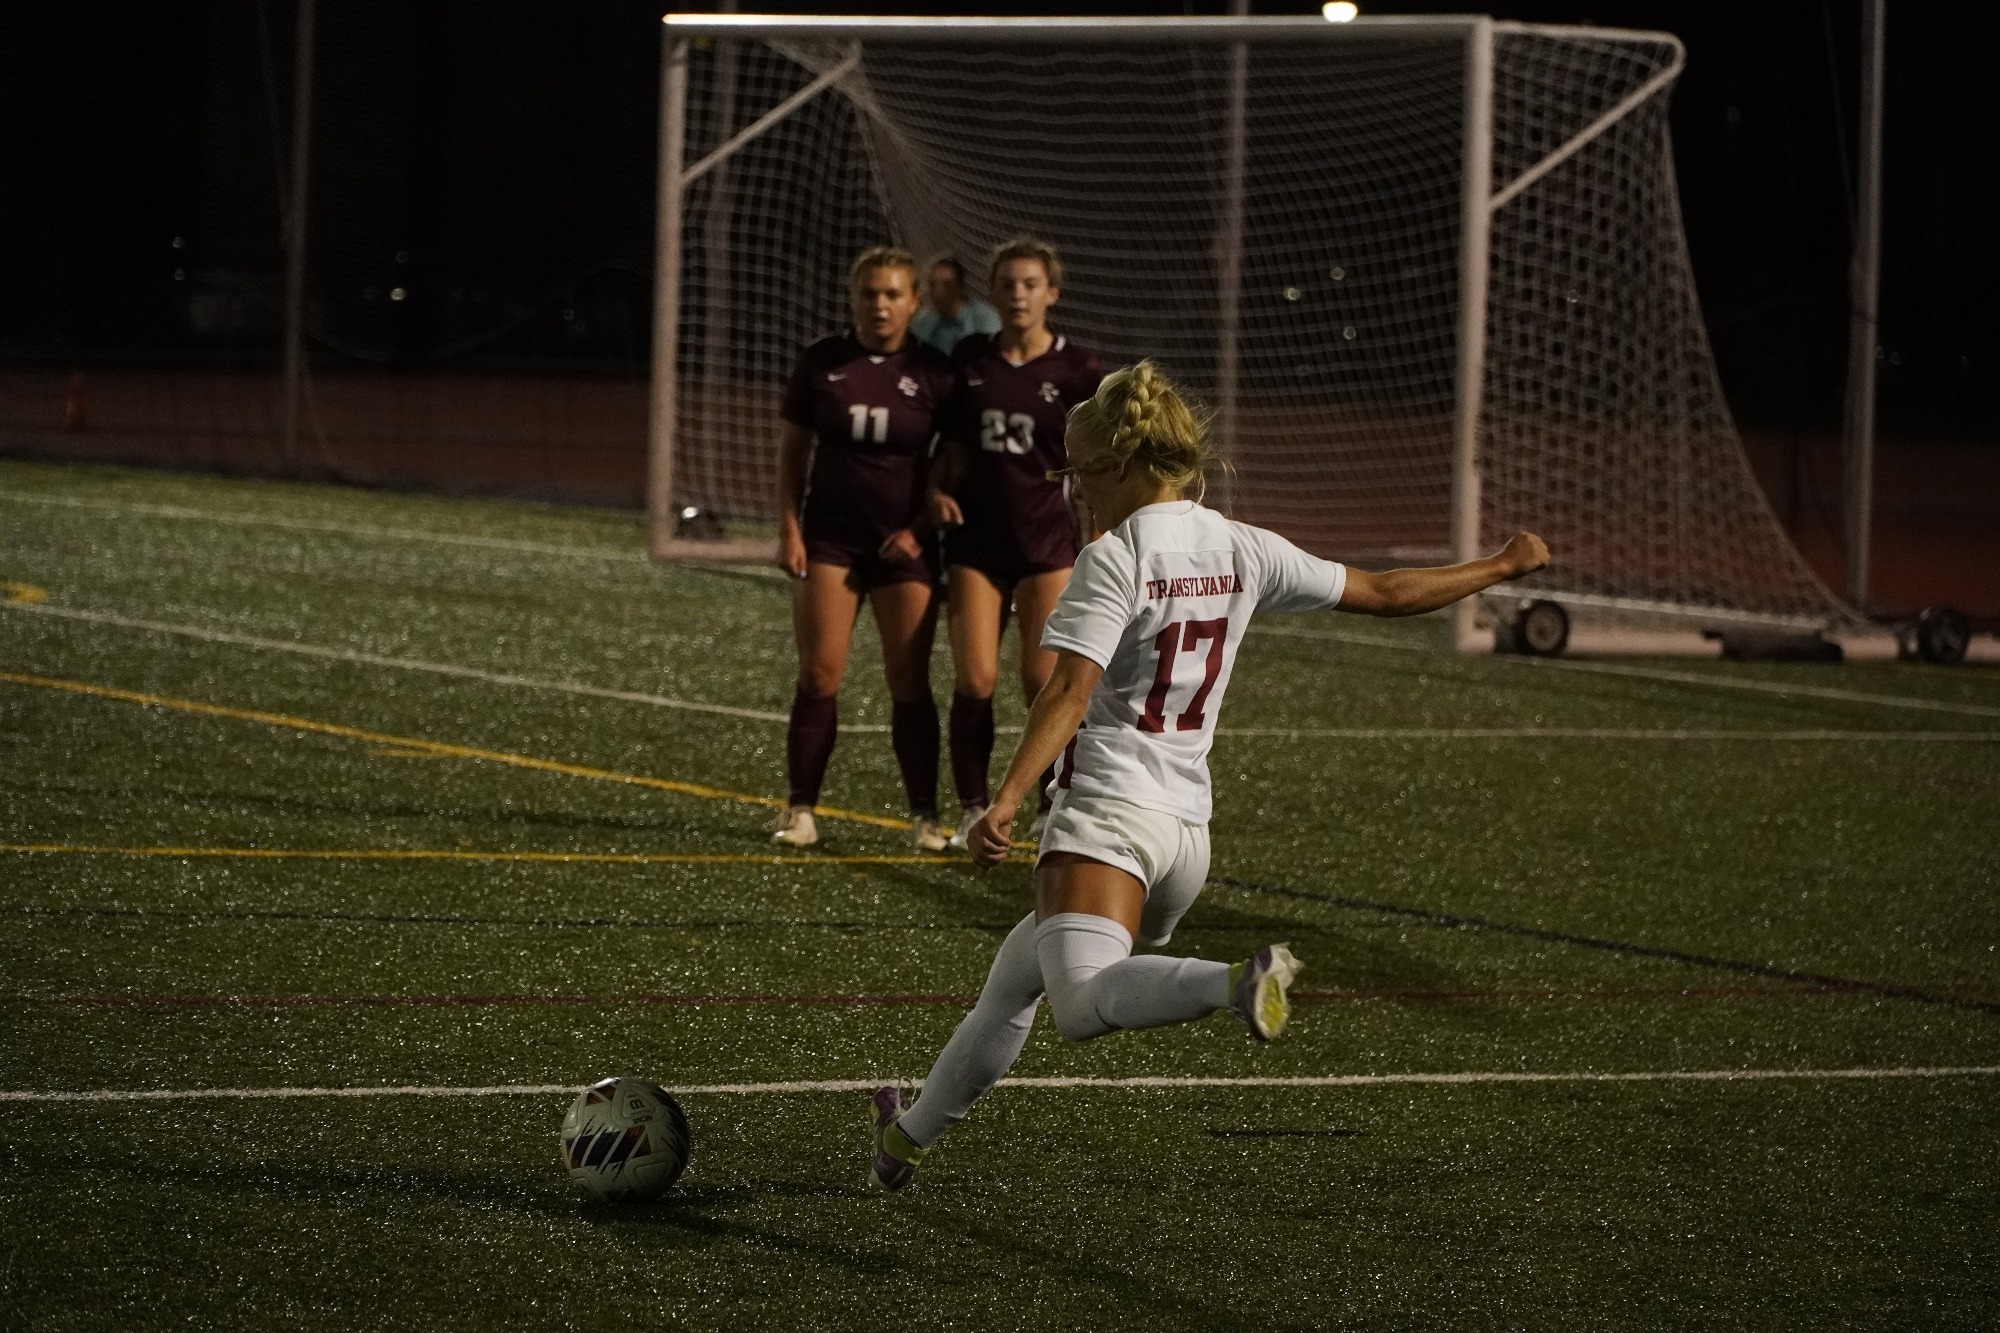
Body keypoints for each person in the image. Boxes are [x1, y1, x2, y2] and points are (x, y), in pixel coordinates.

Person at [868, 360, 1550, 1190]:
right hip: (1183, 840)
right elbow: (1384, 589)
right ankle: (903, 1142)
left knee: (1080, 1005)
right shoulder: (1239, 544)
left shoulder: (1114, 557)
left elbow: (1068, 689)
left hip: (1107, 820)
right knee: (1019, 979)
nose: (1074, 490)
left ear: (1120, 466)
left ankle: (1240, 981)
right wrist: (1499, 565)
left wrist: (1004, 799)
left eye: (1080, 472)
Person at [773, 246, 959, 851]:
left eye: (892, 294)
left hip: (904, 545)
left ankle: (925, 817)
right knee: (820, 672)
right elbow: (794, 452)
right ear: (853, 299)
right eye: (869, 293)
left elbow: (951, 461)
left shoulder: (935, 372)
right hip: (831, 539)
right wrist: (789, 528)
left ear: (914, 301)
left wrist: (920, 527)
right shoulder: (823, 362)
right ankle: (800, 810)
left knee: (908, 679)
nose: (880, 305)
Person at [929, 238, 1103, 850]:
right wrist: (934, 490)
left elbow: (1100, 459)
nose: (1018, 294)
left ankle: (1049, 805)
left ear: (1051, 293)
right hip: (978, 544)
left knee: (1044, 684)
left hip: (1047, 544)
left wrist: (1102, 531)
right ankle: (974, 809)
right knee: (974, 680)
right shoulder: (971, 358)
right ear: (994, 292)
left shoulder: (1080, 371)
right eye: (1007, 283)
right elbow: (951, 446)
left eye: (1030, 283)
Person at [910, 255, 1002, 356]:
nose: (938, 292)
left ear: (961, 287)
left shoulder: (985, 319)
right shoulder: (923, 322)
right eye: (932, 285)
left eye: (947, 285)